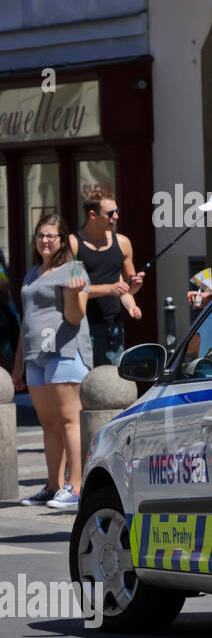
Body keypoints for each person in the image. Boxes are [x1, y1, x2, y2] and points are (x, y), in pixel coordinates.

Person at [10, 215, 92, 512]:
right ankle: (53, 485)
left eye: (51, 236)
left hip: (65, 351)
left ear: (62, 240)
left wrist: (72, 294)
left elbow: (75, 317)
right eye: (40, 235)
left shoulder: (74, 269)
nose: (45, 240)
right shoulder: (33, 272)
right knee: (49, 424)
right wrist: (19, 361)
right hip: (36, 354)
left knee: (69, 421)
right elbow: (27, 321)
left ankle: (76, 485)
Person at [71, 193, 145, 367]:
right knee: (84, 386)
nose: (116, 217)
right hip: (82, 328)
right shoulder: (73, 244)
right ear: (92, 215)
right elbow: (71, 290)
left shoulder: (123, 243)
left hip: (113, 328)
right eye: (111, 213)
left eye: (117, 211)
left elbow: (126, 289)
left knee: (112, 384)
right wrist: (110, 289)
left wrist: (132, 302)